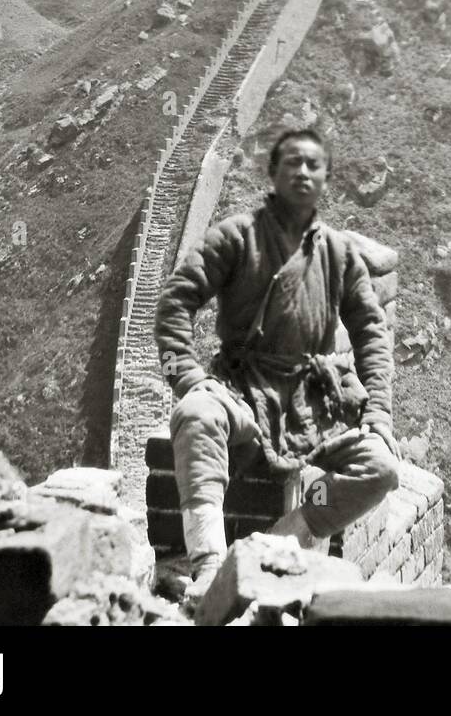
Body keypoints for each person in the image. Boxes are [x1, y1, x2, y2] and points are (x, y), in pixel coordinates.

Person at [155, 127, 399, 598]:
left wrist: (378, 411)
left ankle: (288, 532)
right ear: (273, 174)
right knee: (194, 416)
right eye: (292, 164)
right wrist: (186, 377)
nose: (303, 174)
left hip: (314, 403)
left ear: (325, 180)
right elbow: (174, 303)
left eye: (314, 166)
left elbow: (371, 330)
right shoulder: (236, 237)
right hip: (242, 389)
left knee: (380, 469)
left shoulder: (338, 253)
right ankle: (208, 563)